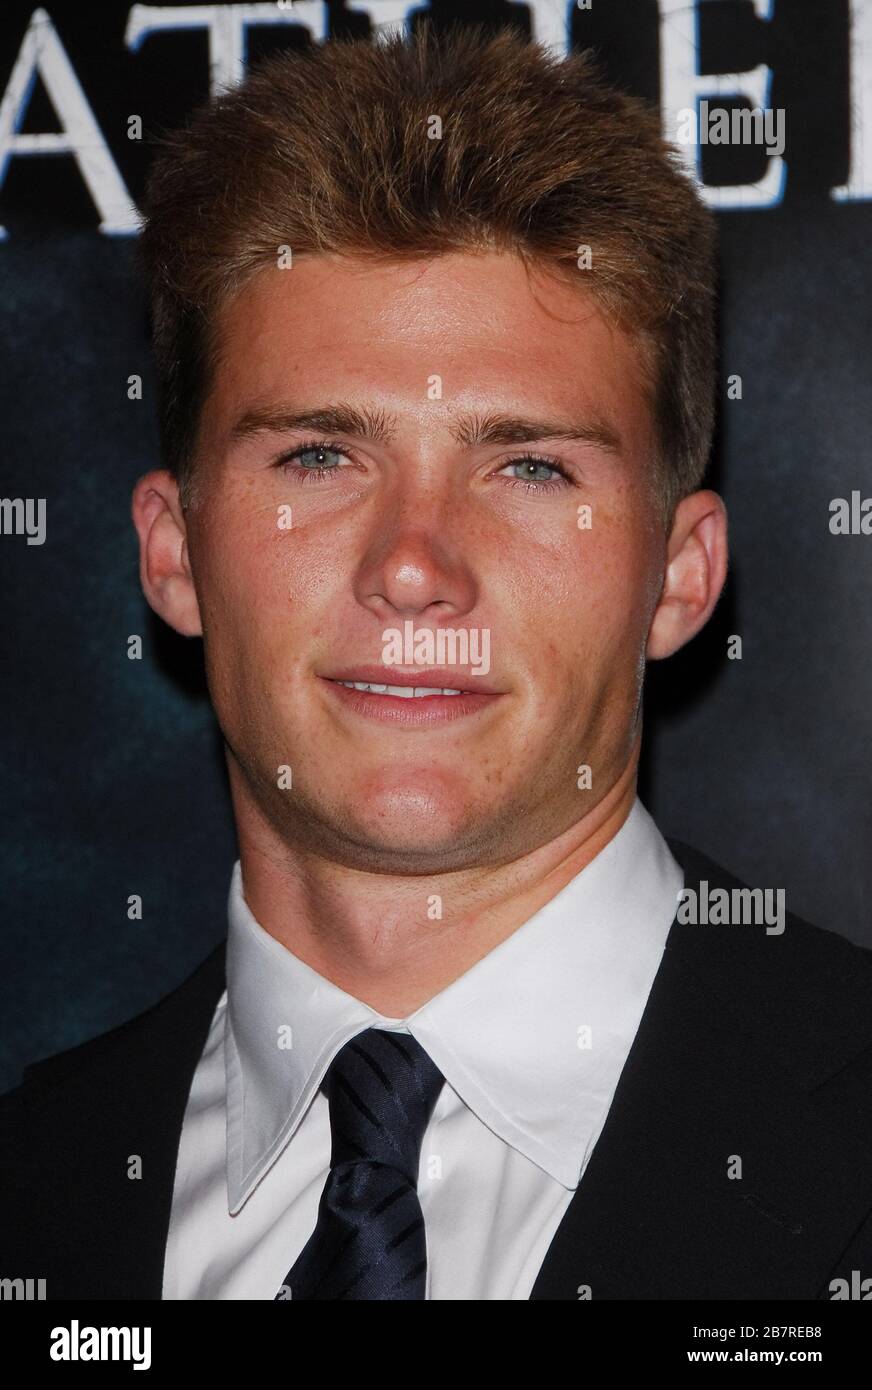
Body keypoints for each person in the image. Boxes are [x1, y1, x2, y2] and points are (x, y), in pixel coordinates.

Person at [2, 22, 870, 1302]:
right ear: (175, 553)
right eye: (317, 456)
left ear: (678, 576)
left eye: (527, 466)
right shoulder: (33, 1195)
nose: (413, 566)